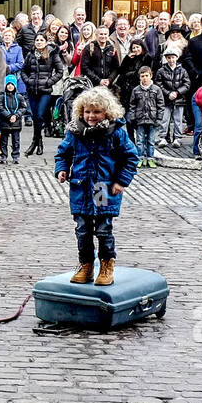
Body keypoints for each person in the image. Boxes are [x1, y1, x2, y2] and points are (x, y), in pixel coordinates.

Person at [55, 86, 139, 287]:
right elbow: (63, 153)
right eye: (88, 112)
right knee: (82, 229)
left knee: (103, 228)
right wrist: (62, 169)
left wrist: (120, 181)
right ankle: (86, 265)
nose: (91, 116)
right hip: (81, 188)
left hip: (103, 188)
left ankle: (106, 264)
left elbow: (131, 157)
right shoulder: (75, 132)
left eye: (96, 112)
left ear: (107, 113)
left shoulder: (115, 132)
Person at [22, 34, 63, 157]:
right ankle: (38, 142)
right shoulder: (30, 54)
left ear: (46, 42)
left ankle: (35, 141)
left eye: (41, 40)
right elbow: (24, 70)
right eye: (37, 40)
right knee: (35, 117)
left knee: (40, 115)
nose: (39, 42)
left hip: (45, 90)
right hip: (32, 89)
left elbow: (59, 71)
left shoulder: (52, 54)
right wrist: (28, 81)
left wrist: (49, 82)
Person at [126, 65, 165, 168]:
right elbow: (132, 105)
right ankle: (140, 158)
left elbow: (160, 105)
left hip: (152, 119)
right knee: (139, 141)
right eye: (142, 76)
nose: (145, 78)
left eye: (147, 75)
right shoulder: (136, 90)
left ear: (151, 76)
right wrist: (132, 117)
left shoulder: (156, 89)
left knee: (151, 141)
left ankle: (150, 158)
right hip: (140, 120)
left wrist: (159, 118)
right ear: (139, 77)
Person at [0, 74, 25, 165]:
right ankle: (3, 155)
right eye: (8, 84)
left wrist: (16, 115)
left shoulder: (19, 97)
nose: (10, 86)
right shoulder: (2, 97)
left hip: (16, 122)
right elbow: (0, 107)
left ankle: (15, 155)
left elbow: (23, 108)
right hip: (5, 122)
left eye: (12, 84)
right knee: (3, 140)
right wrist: (8, 116)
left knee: (16, 140)